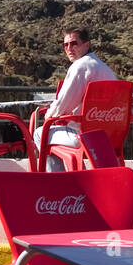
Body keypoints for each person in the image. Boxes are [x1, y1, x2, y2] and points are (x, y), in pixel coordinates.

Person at [35, 25, 117, 170]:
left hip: (84, 134)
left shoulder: (80, 66)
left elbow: (63, 104)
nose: (69, 48)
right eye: (65, 45)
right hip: (110, 134)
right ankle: (78, 178)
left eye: (74, 43)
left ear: (87, 45)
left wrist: (49, 115)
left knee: (40, 133)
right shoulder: (104, 68)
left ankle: (60, 185)